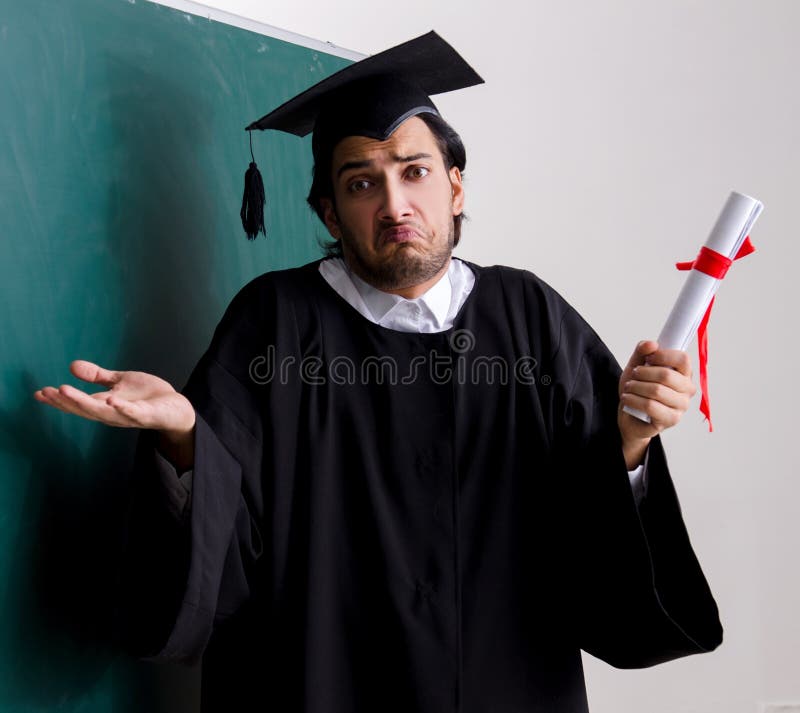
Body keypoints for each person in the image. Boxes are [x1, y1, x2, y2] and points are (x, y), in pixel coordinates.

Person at [34, 31, 721, 713]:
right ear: (330, 211)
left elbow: (590, 552)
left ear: (455, 188)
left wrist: (630, 440)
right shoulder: (273, 324)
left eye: (414, 171)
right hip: (315, 681)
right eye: (363, 181)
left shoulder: (531, 318)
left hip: (505, 681)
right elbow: (226, 556)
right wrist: (187, 436)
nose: (395, 205)